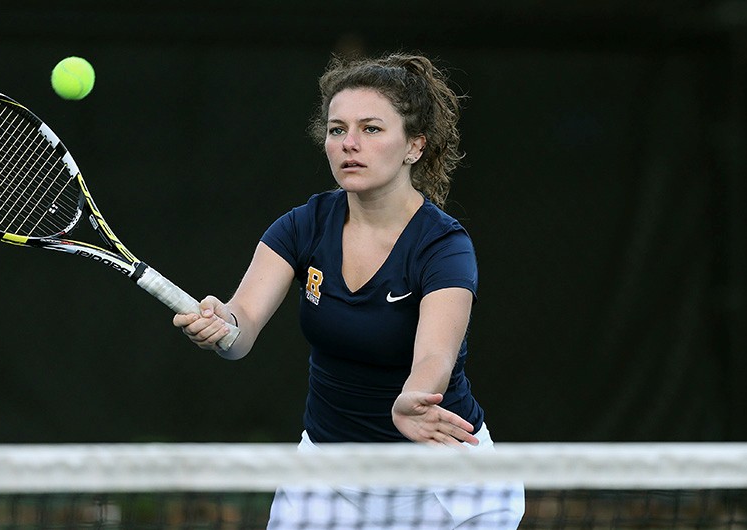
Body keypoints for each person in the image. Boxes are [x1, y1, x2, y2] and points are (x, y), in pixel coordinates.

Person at [174, 52, 524, 529]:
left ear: (414, 147)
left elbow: (435, 357)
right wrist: (222, 326)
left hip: (440, 478)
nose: (349, 144)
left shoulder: (443, 245)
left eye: (371, 129)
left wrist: (414, 397)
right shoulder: (302, 226)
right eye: (337, 130)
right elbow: (241, 328)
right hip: (328, 477)